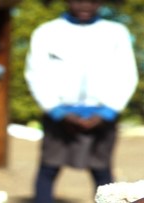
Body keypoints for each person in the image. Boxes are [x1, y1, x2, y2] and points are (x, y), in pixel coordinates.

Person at [24, 0, 138, 202]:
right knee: (49, 167)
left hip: (102, 115)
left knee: (102, 171)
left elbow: (127, 75)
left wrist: (108, 112)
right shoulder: (47, 32)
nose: (85, 5)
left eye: (92, 1)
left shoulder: (116, 33)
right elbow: (36, 74)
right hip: (59, 114)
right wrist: (57, 111)